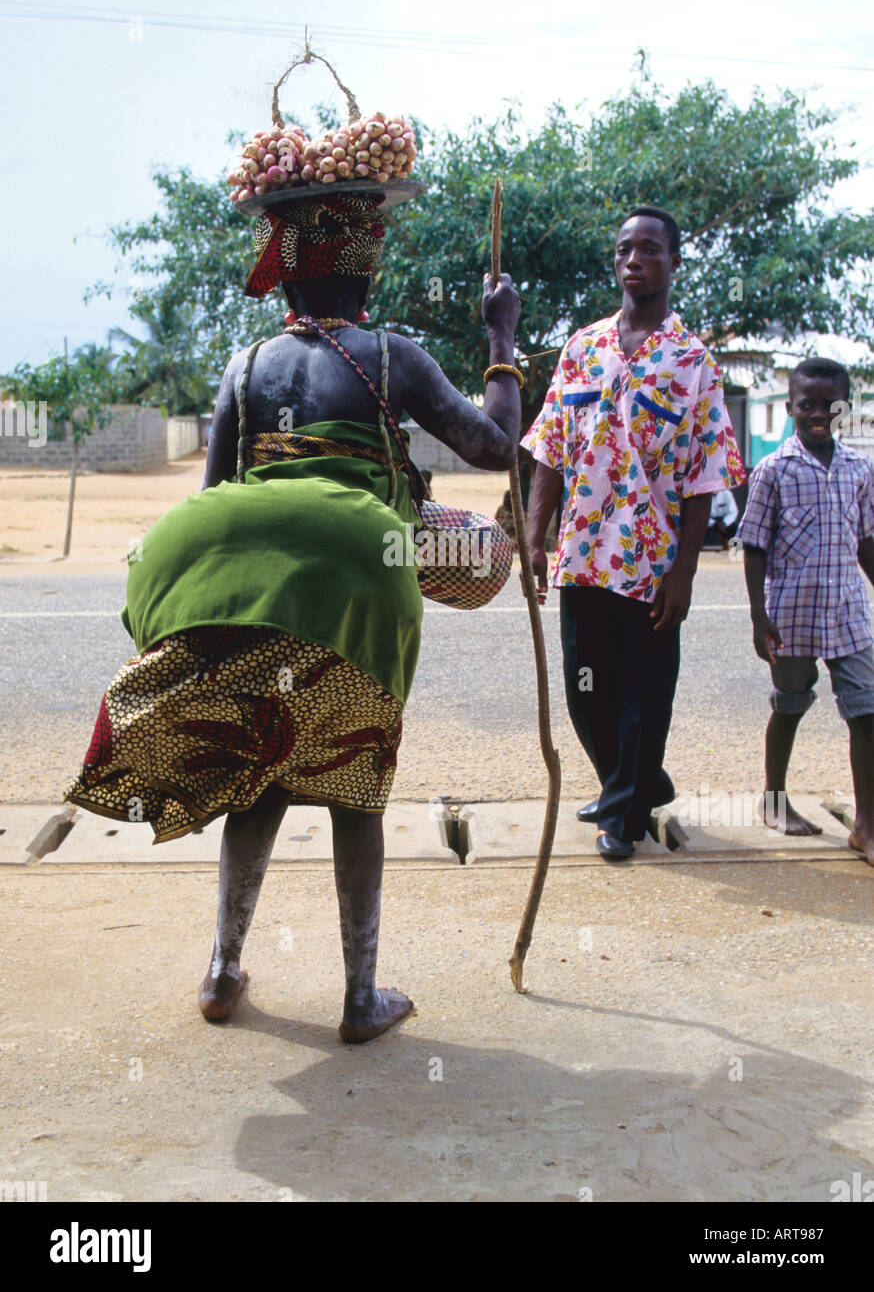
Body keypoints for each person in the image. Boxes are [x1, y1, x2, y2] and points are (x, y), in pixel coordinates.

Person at [65, 188, 522, 1038]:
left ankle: (222, 965)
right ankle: (359, 997)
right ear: (366, 270)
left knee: (262, 773)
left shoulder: (247, 364)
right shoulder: (393, 353)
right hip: (355, 570)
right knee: (354, 785)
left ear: (293, 274)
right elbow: (496, 445)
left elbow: (219, 494)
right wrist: (501, 335)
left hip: (222, 562)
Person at [521, 206, 745, 860]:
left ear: (673, 262)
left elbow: (706, 472)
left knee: (645, 693)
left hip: (653, 561)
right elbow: (549, 449)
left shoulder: (692, 360)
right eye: (625, 248)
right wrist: (536, 535)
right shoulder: (582, 348)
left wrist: (685, 571)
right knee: (585, 687)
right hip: (584, 553)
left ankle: (622, 813)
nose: (634, 259)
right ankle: (638, 782)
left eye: (650, 249)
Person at [737, 358, 874, 860]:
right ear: (790, 408)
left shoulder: (861, 469)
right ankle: (774, 800)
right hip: (791, 615)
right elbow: (753, 545)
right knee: (790, 705)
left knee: (867, 712)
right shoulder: (774, 470)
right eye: (806, 405)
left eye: (829, 405)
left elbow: (866, 542)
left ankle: (865, 824)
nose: (819, 413)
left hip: (849, 614)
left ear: (846, 408)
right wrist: (758, 617)